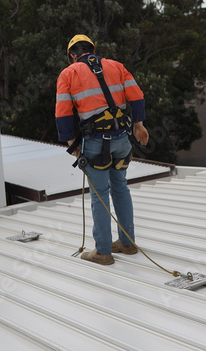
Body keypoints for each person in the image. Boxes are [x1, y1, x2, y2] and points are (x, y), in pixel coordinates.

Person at [56, 34, 149, 266]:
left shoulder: (68, 73)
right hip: (122, 140)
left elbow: (63, 113)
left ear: (72, 56)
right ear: (93, 50)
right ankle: (127, 243)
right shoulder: (116, 66)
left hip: (96, 143)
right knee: (120, 188)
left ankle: (103, 251)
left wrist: (72, 145)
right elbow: (136, 95)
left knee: (99, 195)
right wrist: (139, 124)